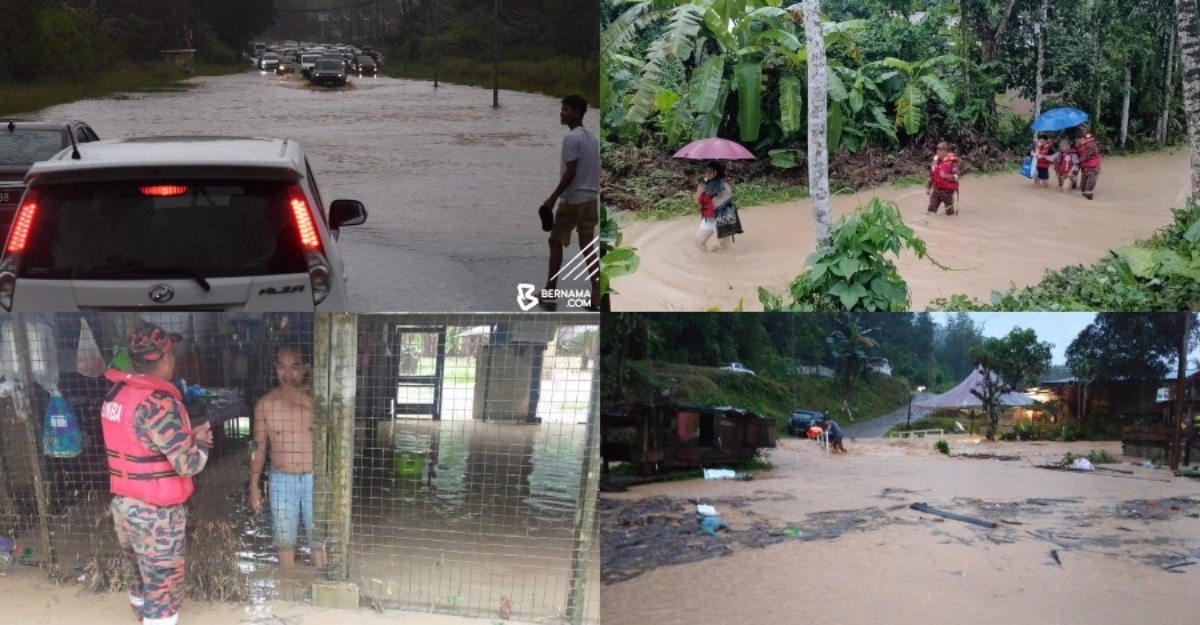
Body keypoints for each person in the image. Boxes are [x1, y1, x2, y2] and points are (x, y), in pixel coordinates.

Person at [101, 321, 213, 625]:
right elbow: (188, 464)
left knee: (139, 576)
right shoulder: (158, 403)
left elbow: (142, 444)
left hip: (124, 505)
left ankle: (140, 617)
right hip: (156, 516)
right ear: (163, 358)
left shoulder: (116, 395)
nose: (174, 359)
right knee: (165, 586)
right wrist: (200, 442)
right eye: (172, 354)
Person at [249, 344, 325, 569]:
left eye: (295, 367)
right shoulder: (265, 405)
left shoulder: (317, 402)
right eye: (281, 366)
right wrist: (254, 485)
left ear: (306, 369)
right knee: (284, 541)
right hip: (281, 479)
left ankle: (321, 584)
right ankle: (288, 587)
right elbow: (256, 445)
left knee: (318, 540)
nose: (287, 373)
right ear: (275, 368)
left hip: (315, 478)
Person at [538, 94, 600, 310]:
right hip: (591, 200)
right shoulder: (593, 140)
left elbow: (571, 172)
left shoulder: (571, 139)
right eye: (562, 109)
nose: (562, 113)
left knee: (555, 242)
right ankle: (596, 294)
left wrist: (553, 198)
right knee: (587, 247)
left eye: (566, 110)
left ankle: (549, 290)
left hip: (572, 201)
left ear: (577, 113)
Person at [693, 161, 733, 252]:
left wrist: (714, 197)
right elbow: (696, 202)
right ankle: (705, 262)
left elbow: (724, 203)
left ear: (717, 172)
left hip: (723, 217)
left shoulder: (724, 185)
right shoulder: (703, 184)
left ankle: (727, 264)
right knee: (699, 241)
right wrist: (699, 192)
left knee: (725, 247)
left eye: (711, 171)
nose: (708, 173)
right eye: (707, 171)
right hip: (709, 218)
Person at [926, 142, 961, 216]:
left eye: (940, 149)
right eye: (937, 149)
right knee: (930, 212)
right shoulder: (934, 161)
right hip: (936, 191)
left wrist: (946, 176)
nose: (938, 151)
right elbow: (931, 175)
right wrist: (928, 188)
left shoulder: (952, 163)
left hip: (947, 193)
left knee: (949, 214)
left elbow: (957, 177)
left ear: (945, 151)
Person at [1076, 128, 1102, 200]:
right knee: (1082, 187)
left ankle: (1090, 203)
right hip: (1085, 168)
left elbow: (1085, 156)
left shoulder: (1090, 144)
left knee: (1088, 189)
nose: (1077, 142)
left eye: (1077, 140)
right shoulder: (1082, 145)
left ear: (1082, 138)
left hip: (1093, 169)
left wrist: (1076, 161)